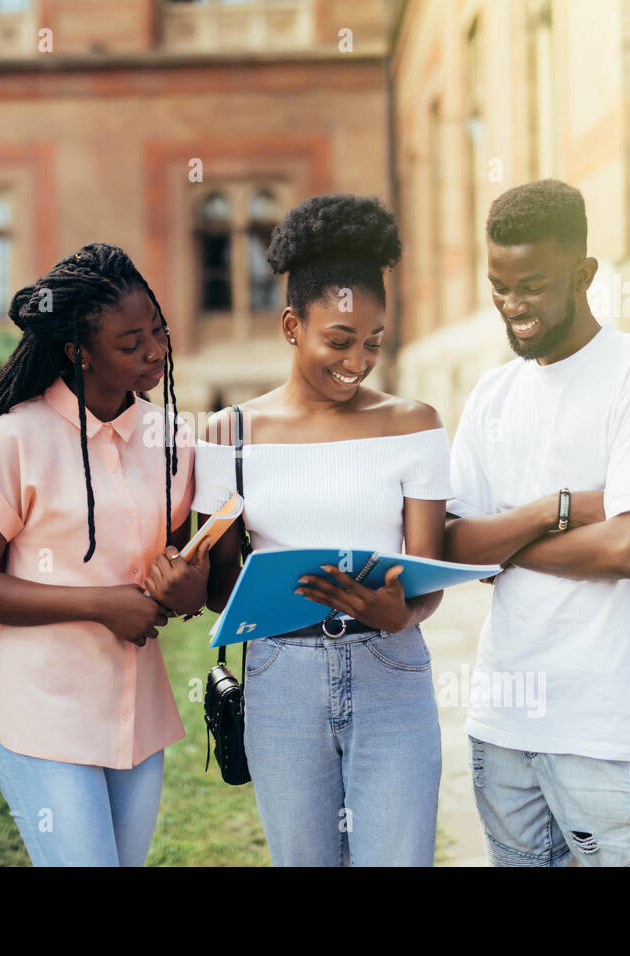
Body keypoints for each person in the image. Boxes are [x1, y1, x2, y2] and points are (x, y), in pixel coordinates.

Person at [443, 178, 630, 867]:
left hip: (613, 728)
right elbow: (453, 546)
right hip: (504, 728)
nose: (512, 306)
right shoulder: (493, 394)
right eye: (498, 285)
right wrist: (552, 512)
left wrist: (505, 541)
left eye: (532, 285)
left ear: (585, 273)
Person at [193, 194, 449, 866]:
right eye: (338, 340)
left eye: (373, 342)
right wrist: (203, 582)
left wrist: (403, 611)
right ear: (290, 326)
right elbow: (221, 585)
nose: (357, 360)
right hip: (282, 675)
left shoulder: (414, 423)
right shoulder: (229, 434)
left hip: (392, 669)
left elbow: (428, 577)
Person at [0, 242, 209, 867]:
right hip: (42, 710)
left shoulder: (173, 438)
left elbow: (193, 569)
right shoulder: (19, 437)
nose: (154, 352)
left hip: (136, 712)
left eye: (158, 331)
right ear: (77, 351)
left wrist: (188, 594)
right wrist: (98, 604)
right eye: (130, 343)